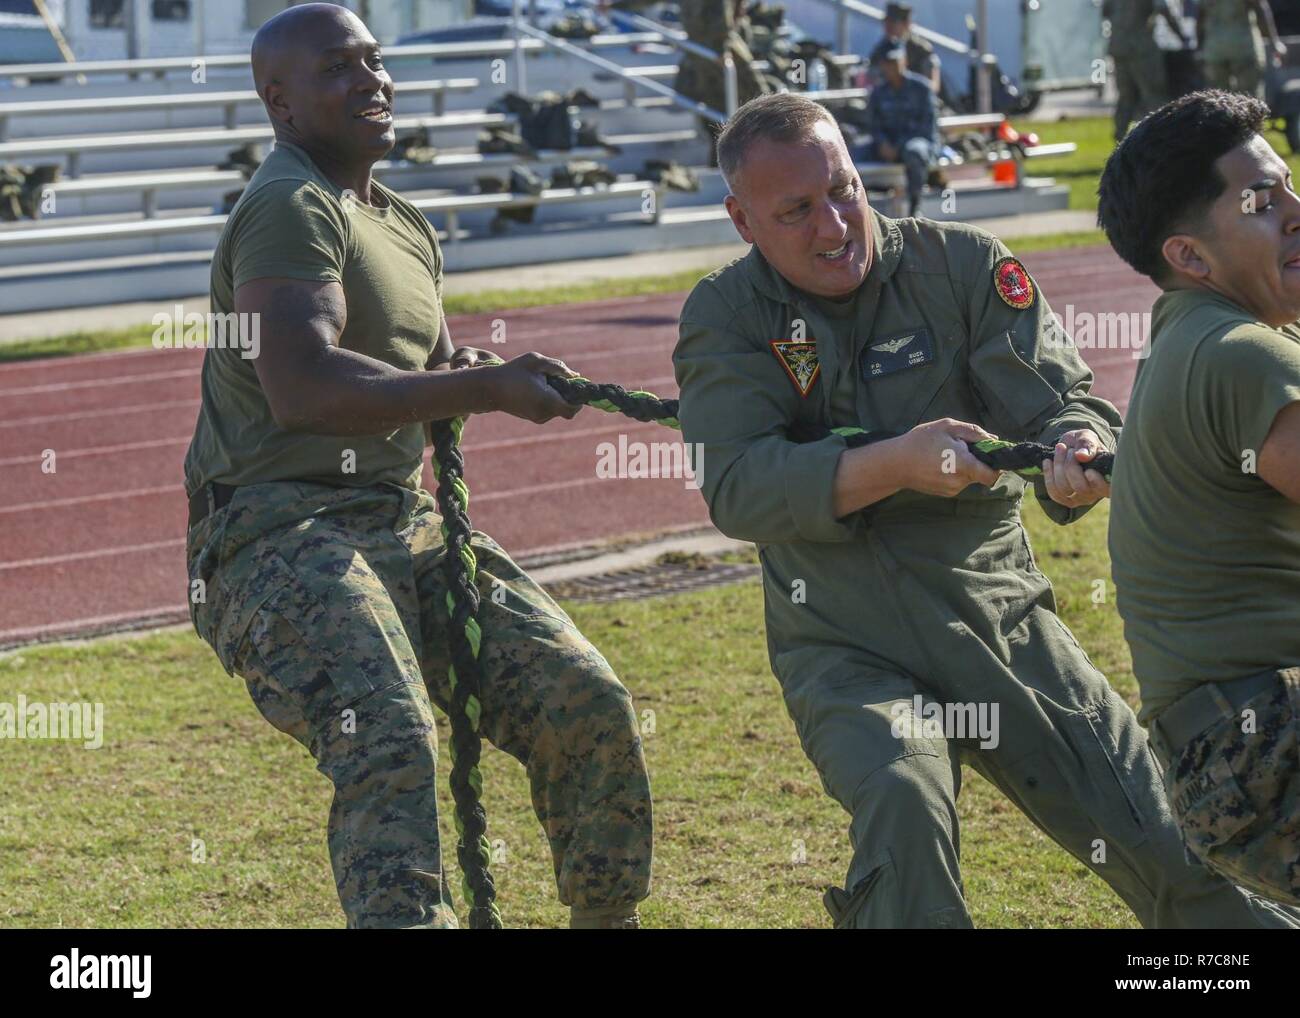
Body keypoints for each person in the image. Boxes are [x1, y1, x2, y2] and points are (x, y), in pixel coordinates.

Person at [672, 90, 1300, 928]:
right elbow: (739, 486)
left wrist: (1072, 449)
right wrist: (893, 462)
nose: (833, 225)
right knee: (905, 806)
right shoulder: (726, 315)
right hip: (845, 645)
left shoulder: (962, 267)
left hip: (1000, 623)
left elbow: (1065, 404)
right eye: (795, 211)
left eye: (845, 190)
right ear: (742, 222)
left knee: (1170, 852)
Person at [184, 3, 653, 929]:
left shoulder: (400, 222)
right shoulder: (290, 204)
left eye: (374, 59)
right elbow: (303, 385)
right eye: (336, 69)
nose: (371, 79)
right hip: (274, 529)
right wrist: (482, 392)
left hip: (398, 520)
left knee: (584, 700)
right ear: (279, 103)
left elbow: (429, 374)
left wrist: (475, 374)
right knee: (388, 736)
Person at [1098, 89, 1299, 905]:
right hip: (1265, 748)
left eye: (1287, 186)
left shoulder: (1194, 336)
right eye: (1261, 202)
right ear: (1190, 255)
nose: (1294, 211)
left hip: (1229, 759)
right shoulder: (1242, 355)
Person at [674, 0, 769, 164]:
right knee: (719, 120)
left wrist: (721, 47)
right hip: (709, 55)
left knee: (756, 108)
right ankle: (727, 168)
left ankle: (759, 163)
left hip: (716, 54)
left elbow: (723, 12)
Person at [861, 45, 938, 218]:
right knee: (850, 155)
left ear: (904, 62)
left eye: (895, 62)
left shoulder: (921, 89)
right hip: (885, 146)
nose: (891, 67)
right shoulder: (878, 93)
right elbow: (873, 125)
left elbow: (926, 126)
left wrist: (898, 146)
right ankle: (860, 211)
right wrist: (882, 143)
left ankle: (914, 207)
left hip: (914, 142)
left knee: (915, 152)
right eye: (887, 63)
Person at [1104, 0, 1187, 142]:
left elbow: (1106, 12)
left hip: (1119, 46)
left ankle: (1120, 139)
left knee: (1125, 97)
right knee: (1154, 94)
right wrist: (1182, 37)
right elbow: (1164, 10)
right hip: (1142, 48)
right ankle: (1161, 136)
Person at [1198, 0, 1286, 99]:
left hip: (1214, 49)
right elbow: (1261, 11)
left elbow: (1200, 18)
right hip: (1244, 48)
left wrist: (1199, 47)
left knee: (1219, 98)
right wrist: (1274, 42)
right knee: (1250, 97)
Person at [868, 2, 941, 95]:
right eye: (886, 21)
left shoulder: (921, 50)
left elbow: (933, 86)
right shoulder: (881, 49)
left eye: (893, 22)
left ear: (906, 24)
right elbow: (870, 77)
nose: (888, 26)